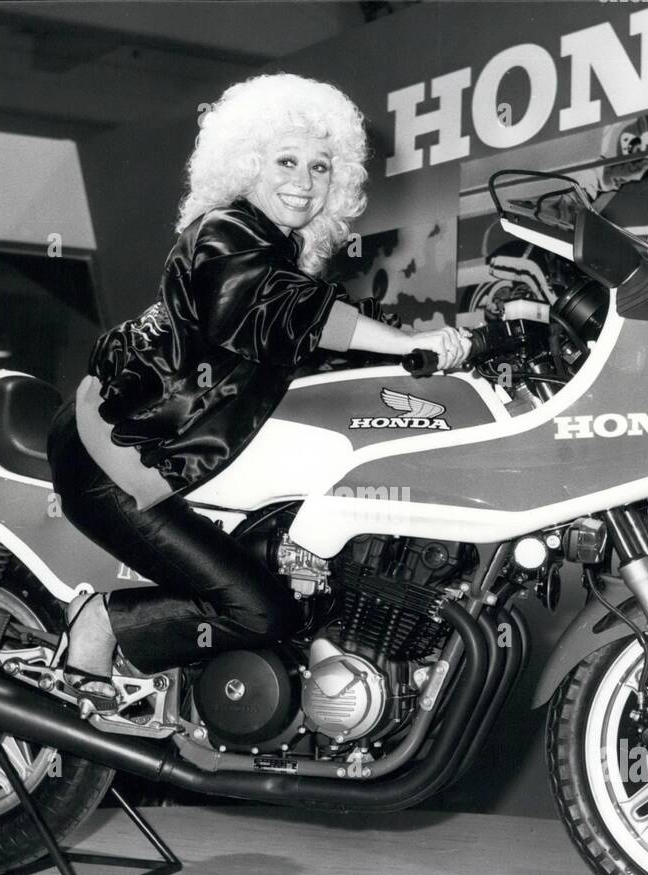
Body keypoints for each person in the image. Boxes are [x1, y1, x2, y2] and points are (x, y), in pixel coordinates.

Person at [46, 73, 470, 708]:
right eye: (286, 160)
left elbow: (280, 343)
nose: (304, 180)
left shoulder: (277, 250)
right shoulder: (224, 234)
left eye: (320, 166)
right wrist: (410, 342)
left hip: (164, 454)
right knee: (261, 612)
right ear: (247, 166)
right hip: (118, 459)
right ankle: (101, 622)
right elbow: (277, 313)